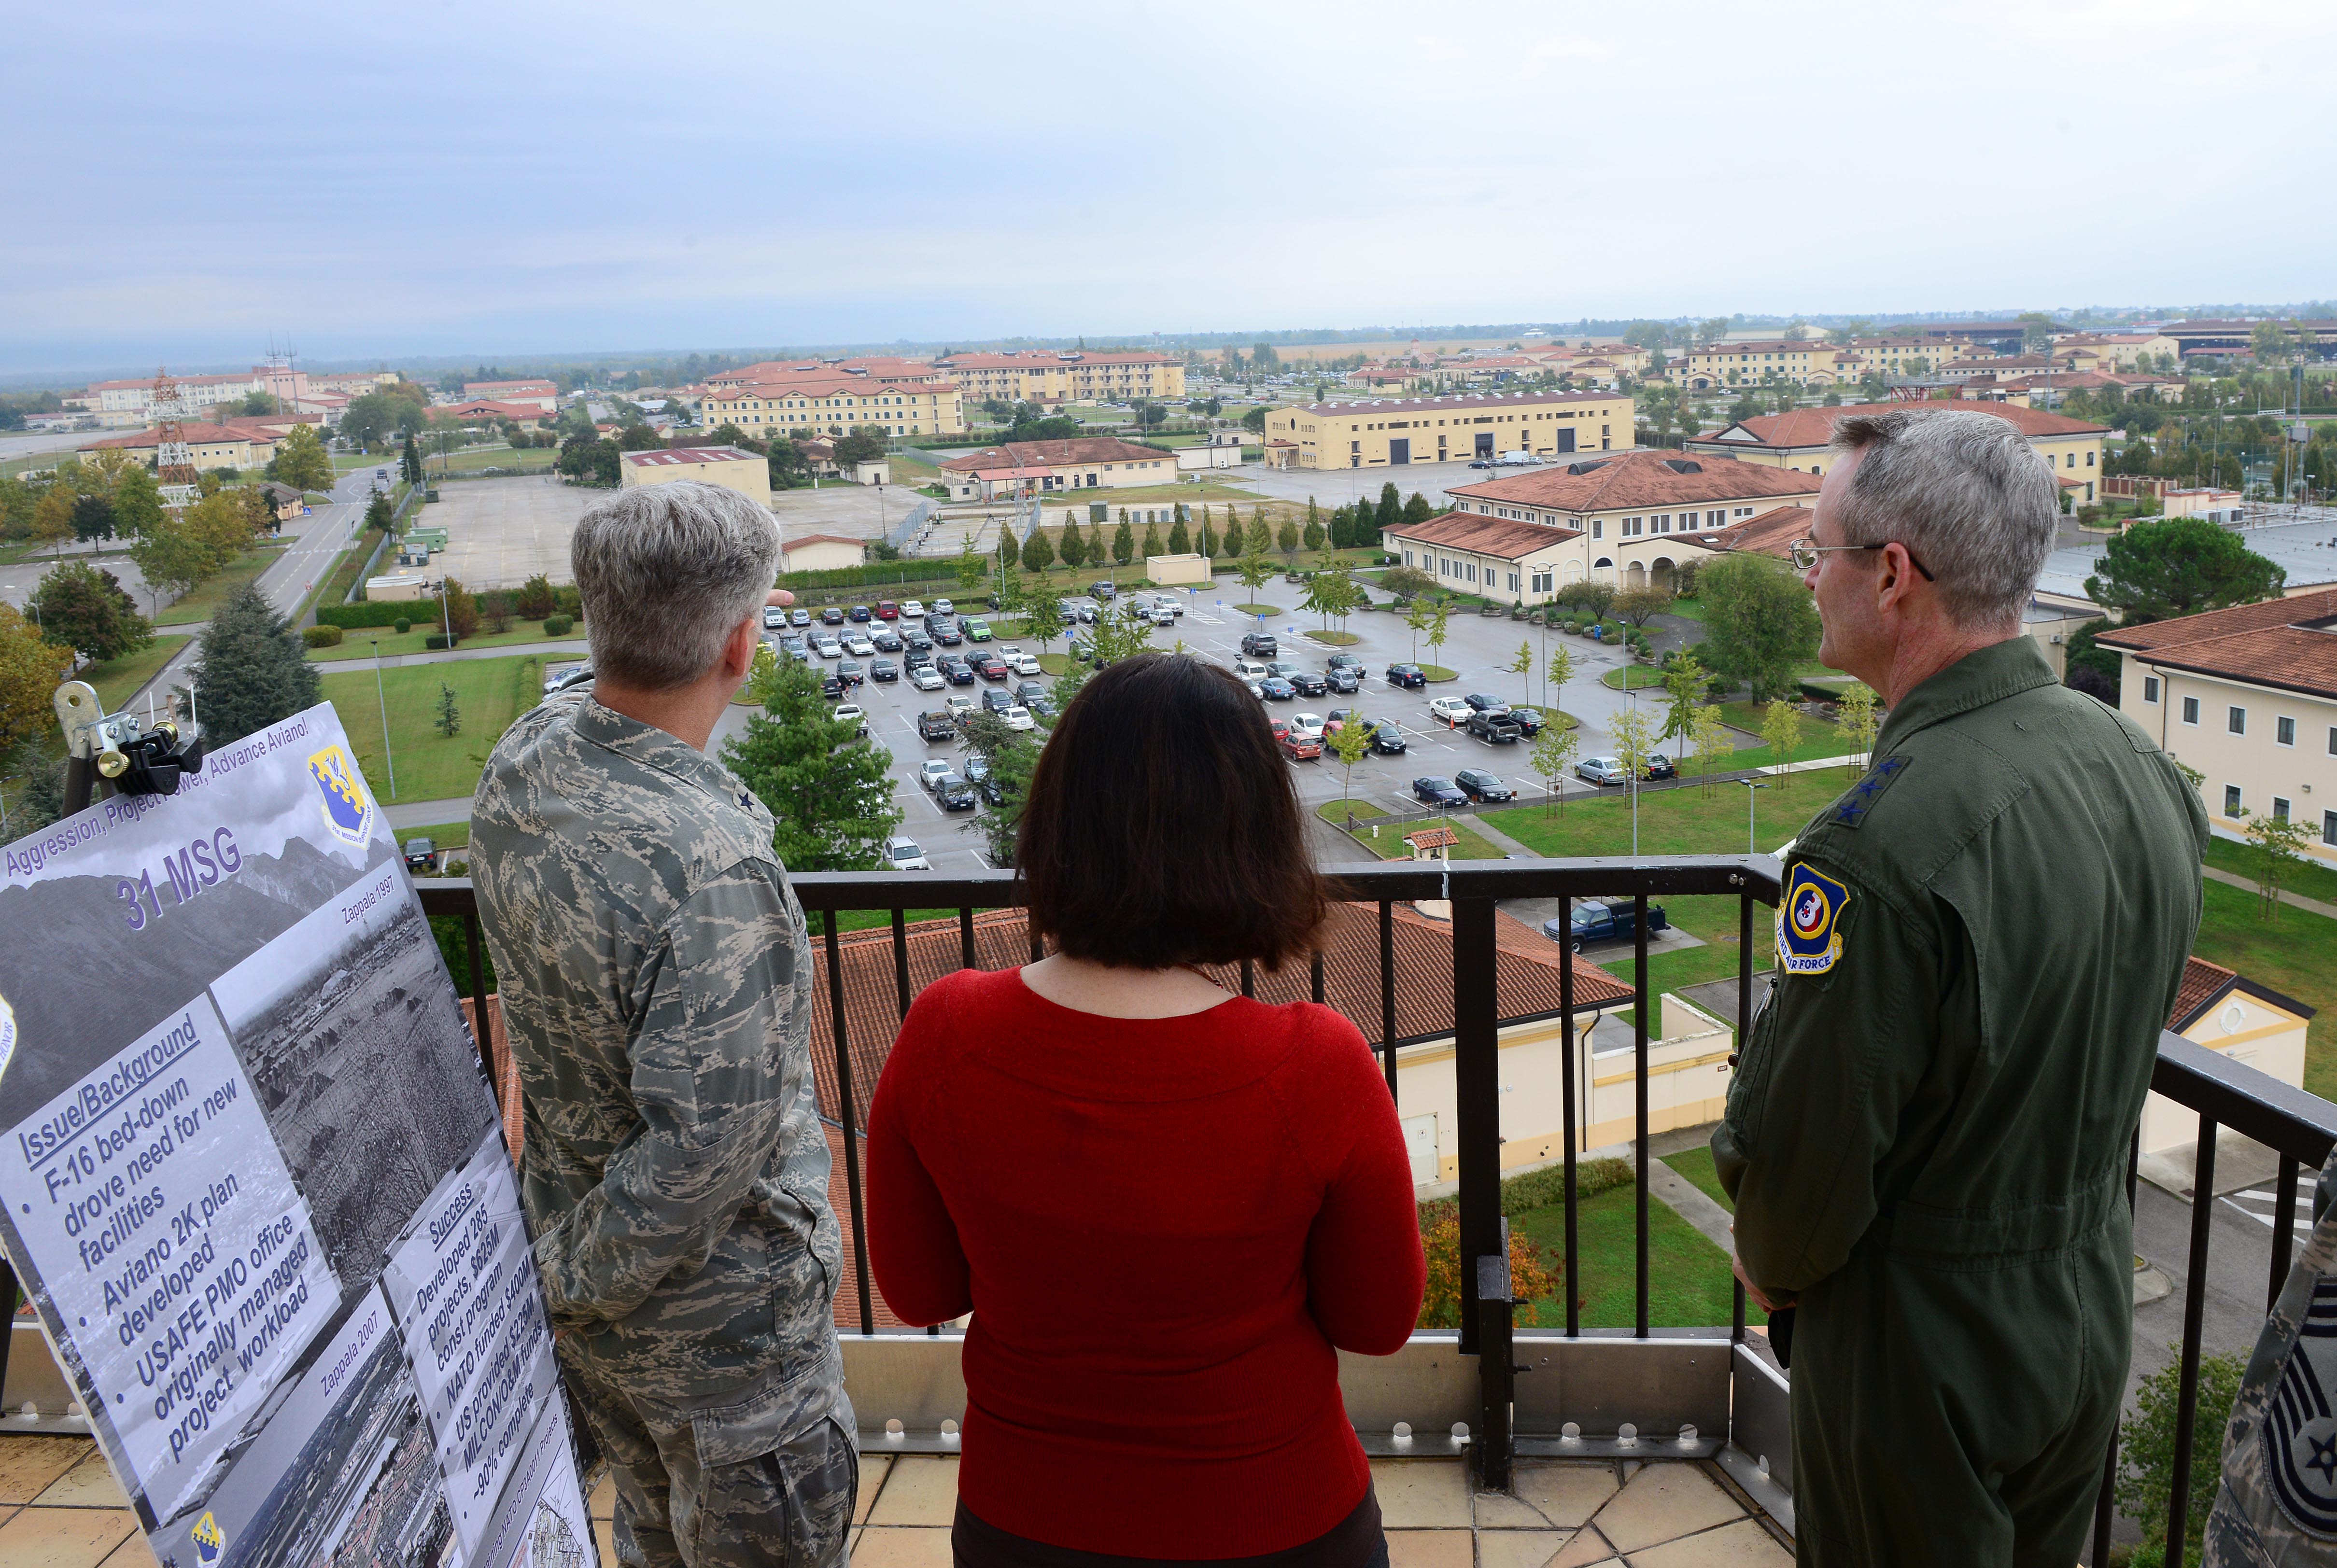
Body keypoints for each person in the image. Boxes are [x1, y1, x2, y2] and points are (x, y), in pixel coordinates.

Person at [1712, 408, 2209, 1566]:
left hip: (1917, 1344)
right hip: (2082, 1306)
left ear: (1890, 575)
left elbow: (1811, 1153)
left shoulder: (1875, 847)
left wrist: (1770, 1263)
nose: (1805, 579)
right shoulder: (2136, 766)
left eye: (1815, 554)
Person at [866, 653, 1424, 1566]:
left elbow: (921, 1291)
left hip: (1027, 1520)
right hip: (1273, 1516)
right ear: (1251, 836)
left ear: (1058, 819)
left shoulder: (947, 1034)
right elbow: (1377, 1322)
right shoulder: (1315, 1066)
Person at [470, 482, 854, 1567]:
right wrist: (567, 1280)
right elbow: (707, 1150)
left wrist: (561, 1284)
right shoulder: (710, 864)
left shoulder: (527, 763)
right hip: (724, 1350)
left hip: (604, 1324)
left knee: (649, 1537)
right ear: (740, 642)